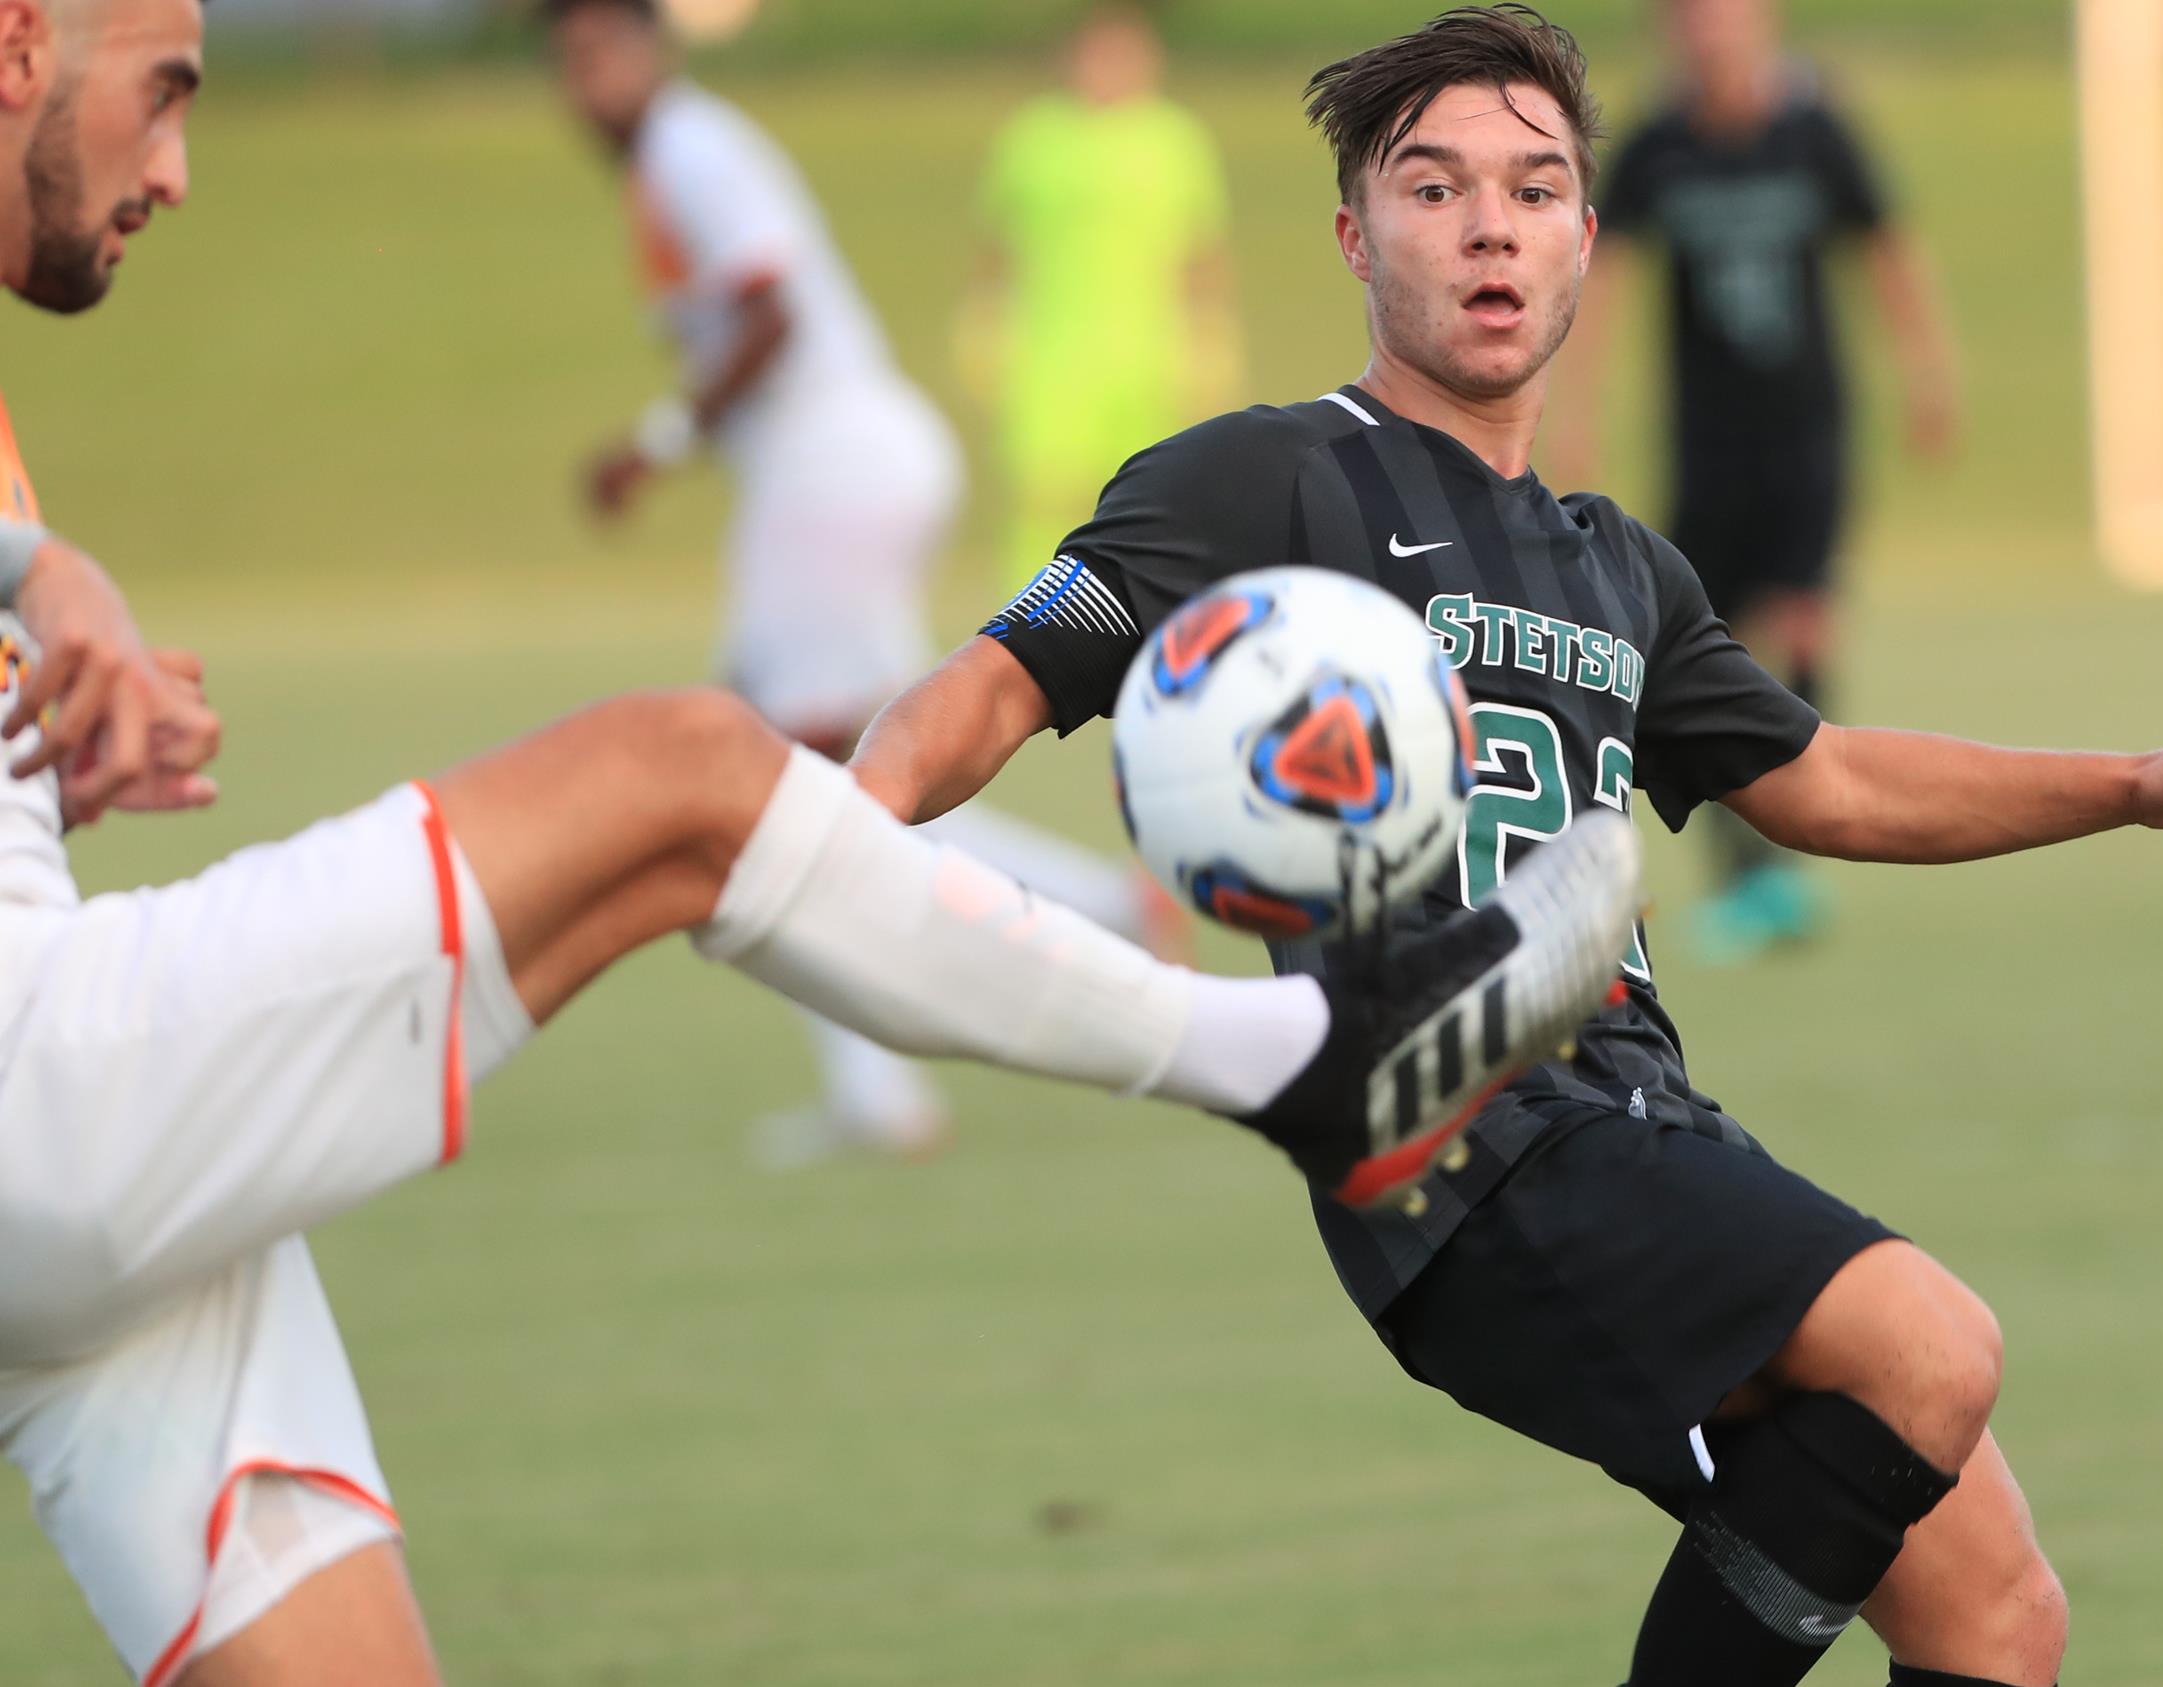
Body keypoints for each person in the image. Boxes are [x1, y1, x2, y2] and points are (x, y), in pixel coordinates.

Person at [0, 4, 1641, 1683]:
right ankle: (1296, 1055)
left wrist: (58, 585)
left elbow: (770, 309)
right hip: (35, 1098)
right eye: (167, 94)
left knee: (747, 790)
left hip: (100, 1183)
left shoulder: (691, 150)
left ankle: (988, 972)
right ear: (16, 49)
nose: (184, 169)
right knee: (696, 778)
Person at [851, 9, 2163, 1686]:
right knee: (1931, 1347)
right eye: (1434, 189)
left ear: (1588, 236)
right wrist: (836, 843)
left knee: (1998, 1614)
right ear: (1358, 235)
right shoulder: (1265, 480)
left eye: (1534, 188)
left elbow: (1834, 785)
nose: (1489, 223)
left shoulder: (1619, 567)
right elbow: (1004, 675)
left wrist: (2135, 783)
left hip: (1634, 1109)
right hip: (1460, 1129)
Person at [552, 0, 1182, 1166]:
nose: (584, 82)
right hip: (838, 475)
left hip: (831, 473)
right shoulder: (669, 160)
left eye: (602, 51)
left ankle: (1038, 965)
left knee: (802, 788)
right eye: (568, 60)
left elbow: (771, 312)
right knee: (804, 777)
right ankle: (915, 1051)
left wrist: (659, 442)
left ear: (655, 48)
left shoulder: (691, 144)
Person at [1552, 0, 1962, 963]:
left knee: (1807, 618)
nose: (1711, 33)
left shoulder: (1815, 131)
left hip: (1809, 434)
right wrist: (1574, 409)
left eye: (1726, 15)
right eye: (1691, 18)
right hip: (1707, 444)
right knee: (1704, 649)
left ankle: (1792, 862)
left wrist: (1928, 371)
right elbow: (1601, 276)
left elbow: (1886, 248)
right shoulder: (1657, 145)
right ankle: (1748, 874)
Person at [964, 0, 1240, 584]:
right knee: (1048, 495)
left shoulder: (1174, 139)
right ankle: (1032, 621)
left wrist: (1210, 336)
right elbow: (996, 245)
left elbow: (1201, 250)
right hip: (1050, 347)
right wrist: (983, 324)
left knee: (1153, 493)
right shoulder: (1035, 137)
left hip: (1149, 346)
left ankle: (1137, 613)